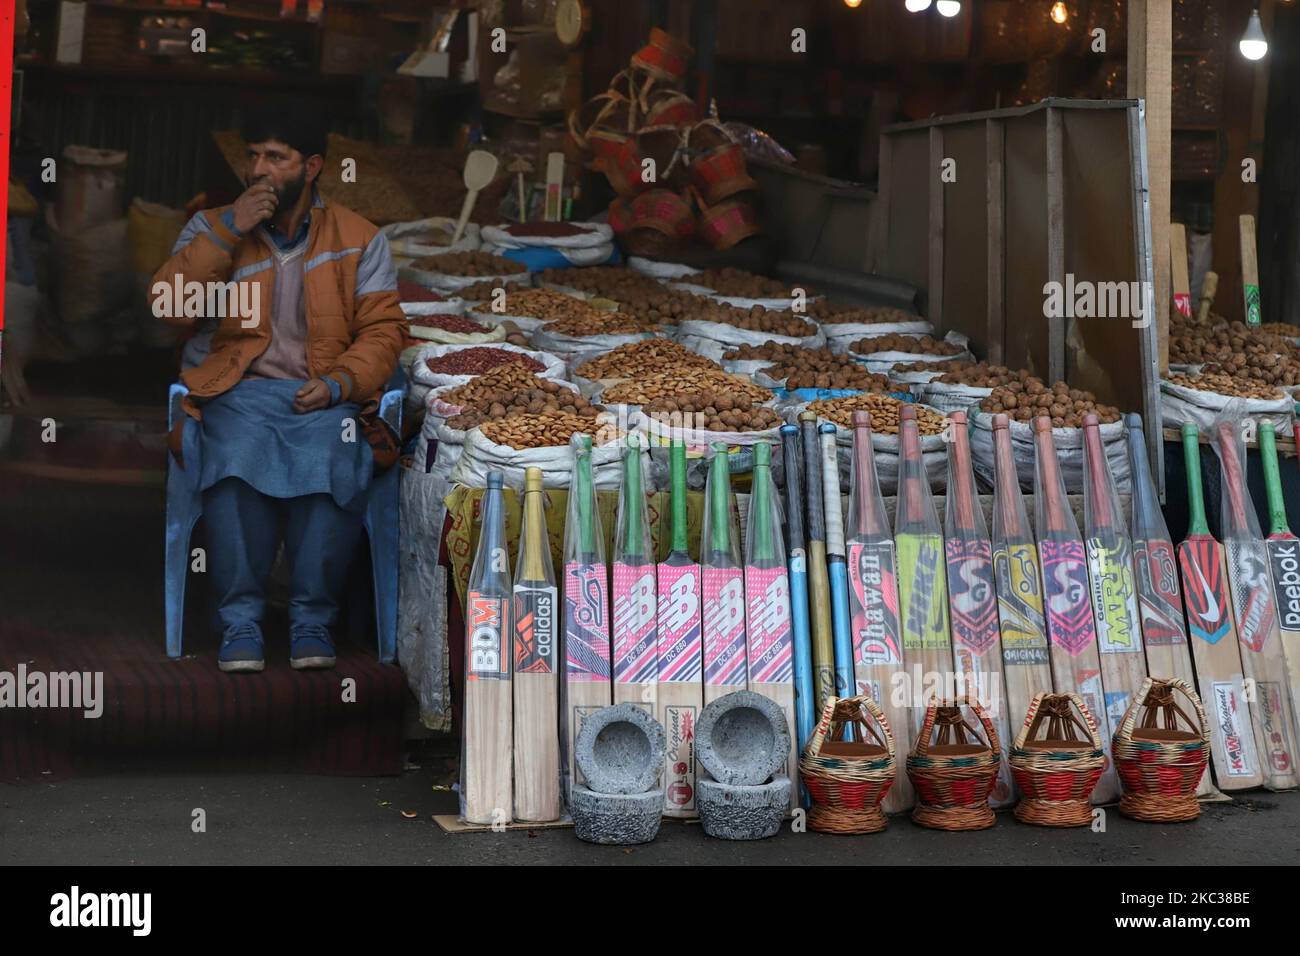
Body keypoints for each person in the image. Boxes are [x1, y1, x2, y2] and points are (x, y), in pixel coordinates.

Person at [152, 99, 404, 673]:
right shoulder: (210, 227)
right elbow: (170, 309)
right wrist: (227, 230)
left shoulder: (361, 239)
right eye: (253, 156)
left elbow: (384, 331)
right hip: (235, 391)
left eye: (276, 157)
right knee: (235, 461)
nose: (260, 169)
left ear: (311, 167)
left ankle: (311, 619)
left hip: (321, 394)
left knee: (336, 456)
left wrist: (341, 383)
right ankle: (240, 620)